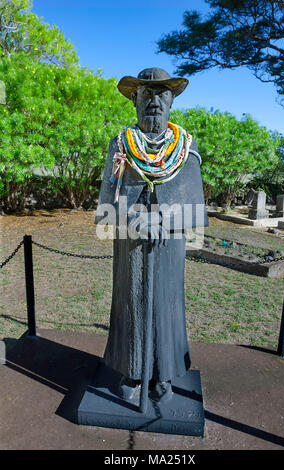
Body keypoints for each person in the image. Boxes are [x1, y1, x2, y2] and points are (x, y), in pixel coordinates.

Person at [95, 68, 208, 403]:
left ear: (171, 101)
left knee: (167, 304)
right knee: (131, 302)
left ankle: (165, 373)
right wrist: (136, 219)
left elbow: (194, 202)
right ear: (135, 101)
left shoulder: (185, 147)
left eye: (162, 94)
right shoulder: (120, 144)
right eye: (146, 94)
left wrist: (165, 220)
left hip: (170, 243)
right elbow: (107, 200)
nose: (154, 102)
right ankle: (131, 369)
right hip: (130, 240)